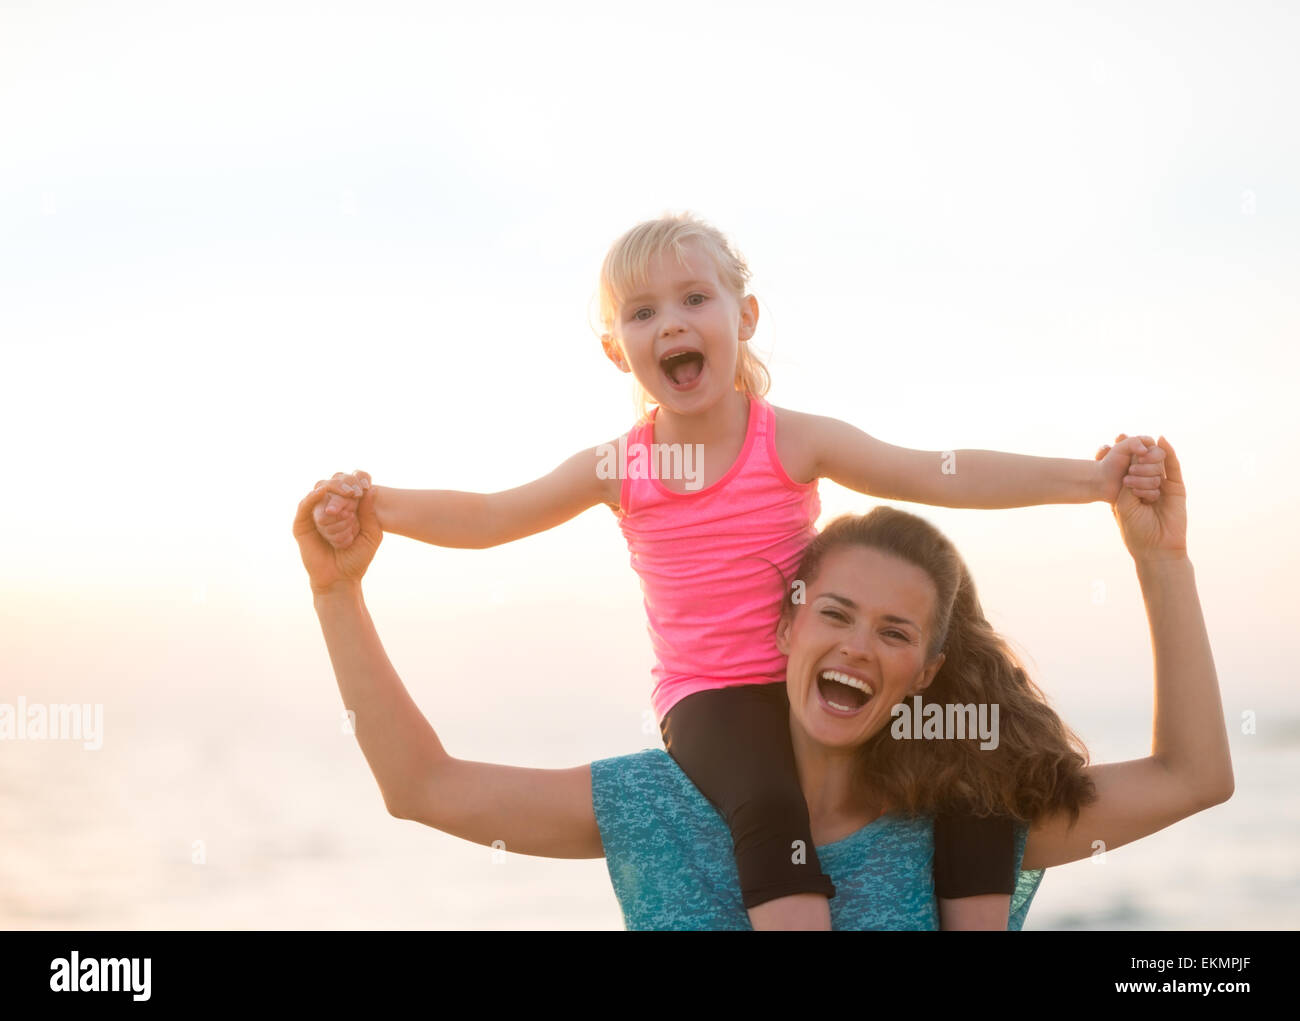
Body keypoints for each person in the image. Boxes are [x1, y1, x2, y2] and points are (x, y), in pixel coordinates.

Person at [307, 212, 1168, 929]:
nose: (672, 322)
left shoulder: (789, 439)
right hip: (712, 697)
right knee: (766, 805)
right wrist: (378, 504)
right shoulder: (621, 467)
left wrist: (1088, 482)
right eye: (641, 313)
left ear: (744, 315)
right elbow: (494, 515)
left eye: (694, 297)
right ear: (618, 351)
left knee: (974, 747)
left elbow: (937, 468)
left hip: (816, 673)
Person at [295, 435, 1232, 930]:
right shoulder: (660, 806)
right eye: (834, 613)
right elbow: (422, 787)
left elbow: (1196, 774)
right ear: (786, 624)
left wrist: (1163, 558)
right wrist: (338, 592)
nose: (857, 647)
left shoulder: (964, 820)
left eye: (894, 630)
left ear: (926, 672)